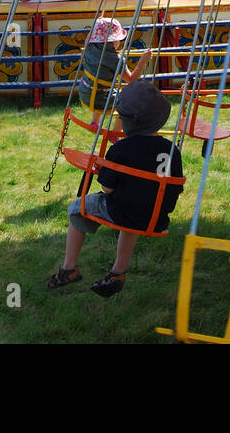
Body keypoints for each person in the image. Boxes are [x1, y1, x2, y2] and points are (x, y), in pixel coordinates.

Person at [47, 80, 183, 297]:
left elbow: (108, 189)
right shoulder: (172, 150)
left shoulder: (120, 149)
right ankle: (118, 272)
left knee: (76, 208)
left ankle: (69, 268)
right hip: (155, 218)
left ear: (128, 121)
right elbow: (174, 189)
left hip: (122, 211)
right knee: (134, 213)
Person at [79, 17, 151, 118]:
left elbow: (88, 38)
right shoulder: (116, 60)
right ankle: (116, 132)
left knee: (104, 87)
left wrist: (97, 24)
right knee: (130, 100)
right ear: (114, 41)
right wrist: (143, 61)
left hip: (84, 93)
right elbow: (132, 80)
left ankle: (95, 122)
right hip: (100, 99)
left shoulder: (89, 48)